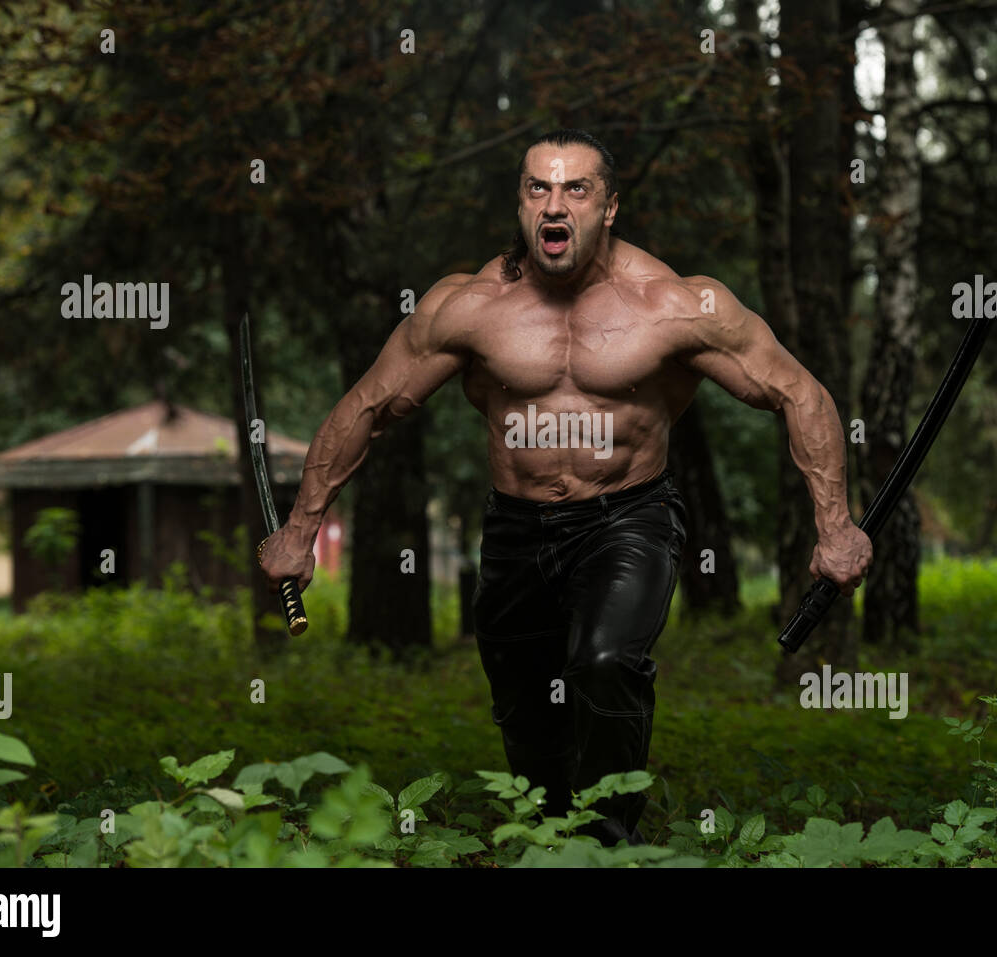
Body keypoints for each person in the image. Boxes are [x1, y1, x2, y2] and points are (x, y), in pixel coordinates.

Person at [258, 128, 873, 847]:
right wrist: (301, 529)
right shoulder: (467, 307)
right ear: (520, 205)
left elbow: (799, 393)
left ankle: (607, 845)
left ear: (609, 207)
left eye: (576, 189)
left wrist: (836, 525)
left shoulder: (675, 303)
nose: (556, 204)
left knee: (606, 663)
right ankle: (553, 838)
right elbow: (369, 405)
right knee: (526, 709)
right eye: (537, 188)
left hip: (628, 518)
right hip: (515, 528)